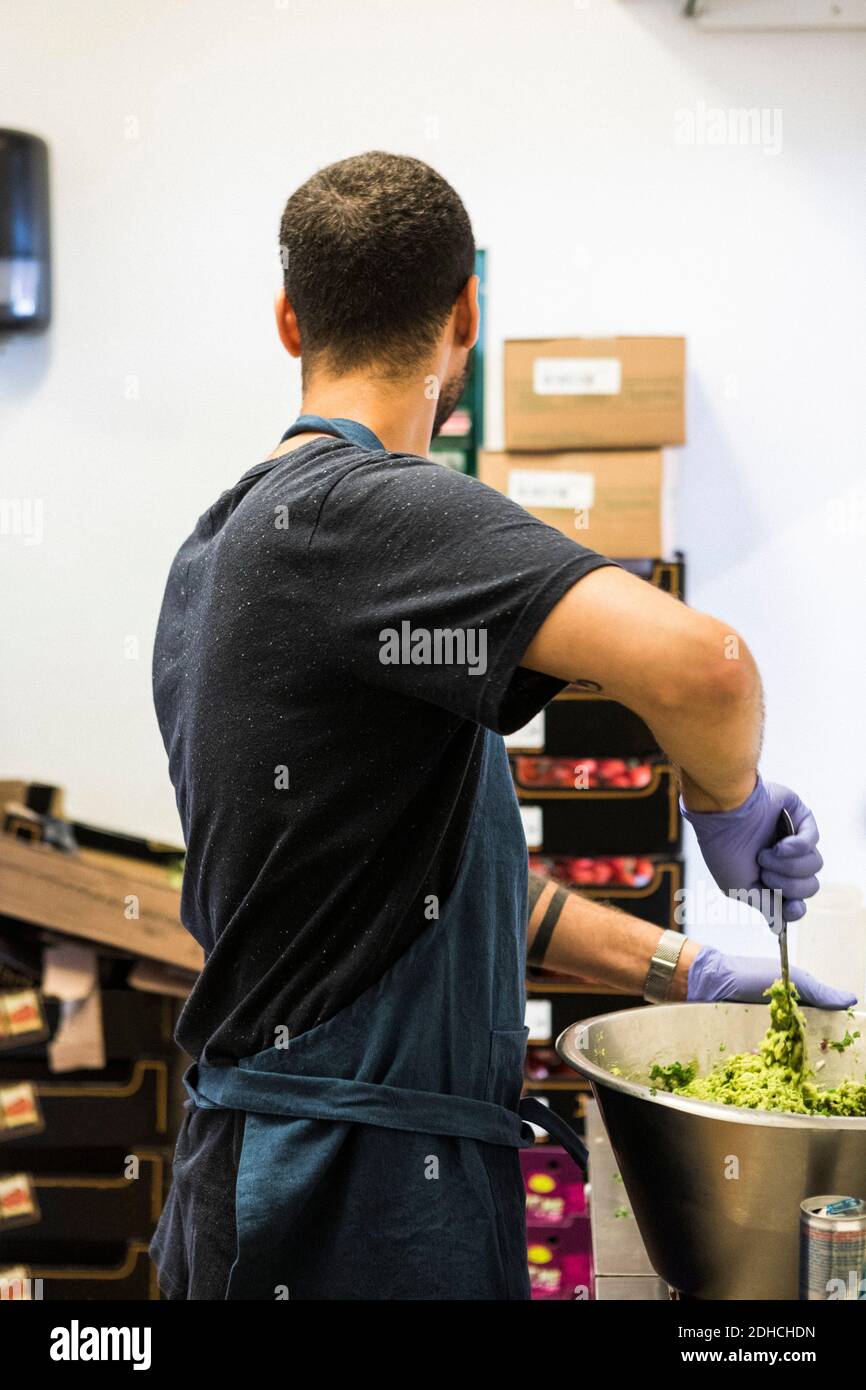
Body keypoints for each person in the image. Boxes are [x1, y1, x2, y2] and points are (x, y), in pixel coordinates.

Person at [150, 151, 851, 1302]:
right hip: (343, 1206)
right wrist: (731, 802)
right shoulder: (366, 511)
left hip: (315, 1176)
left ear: (288, 320)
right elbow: (708, 669)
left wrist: (678, 964)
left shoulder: (215, 553)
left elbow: (434, 898)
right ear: (463, 318)